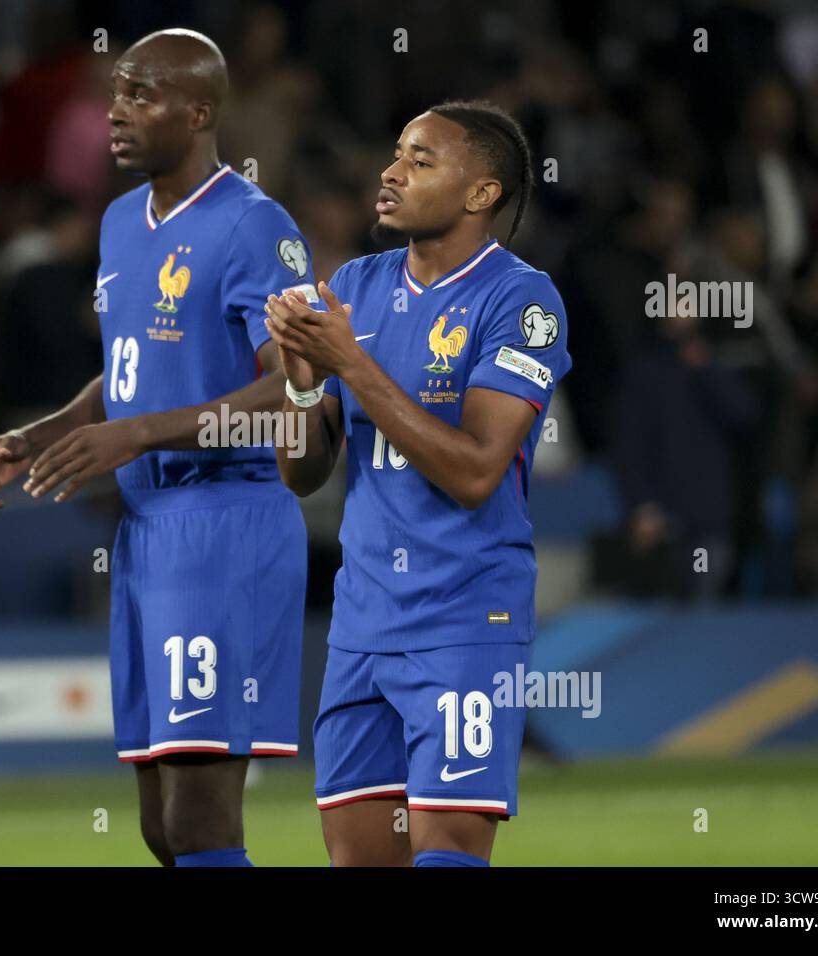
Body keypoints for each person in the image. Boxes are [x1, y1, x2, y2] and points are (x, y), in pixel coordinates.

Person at [0, 29, 315, 867]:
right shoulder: (121, 222)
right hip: (148, 528)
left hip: (226, 521)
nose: (114, 113)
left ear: (198, 111)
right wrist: (38, 435)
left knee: (200, 821)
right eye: (114, 93)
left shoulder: (254, 225)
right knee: (161, 829)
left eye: (140, 95)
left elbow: (296, 387)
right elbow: (131, 374)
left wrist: (136, 435)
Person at [266, 101, 570, 866]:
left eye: (421, 159)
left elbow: (474, 472)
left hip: (465, 619)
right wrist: (302, 385)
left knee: (444, 857)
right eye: (396, 153)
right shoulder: (355, 288)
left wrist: (352, 365)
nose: (391, 171)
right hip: (362, 625)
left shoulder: (520, 300)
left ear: (481, 195)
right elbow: (303, 475)